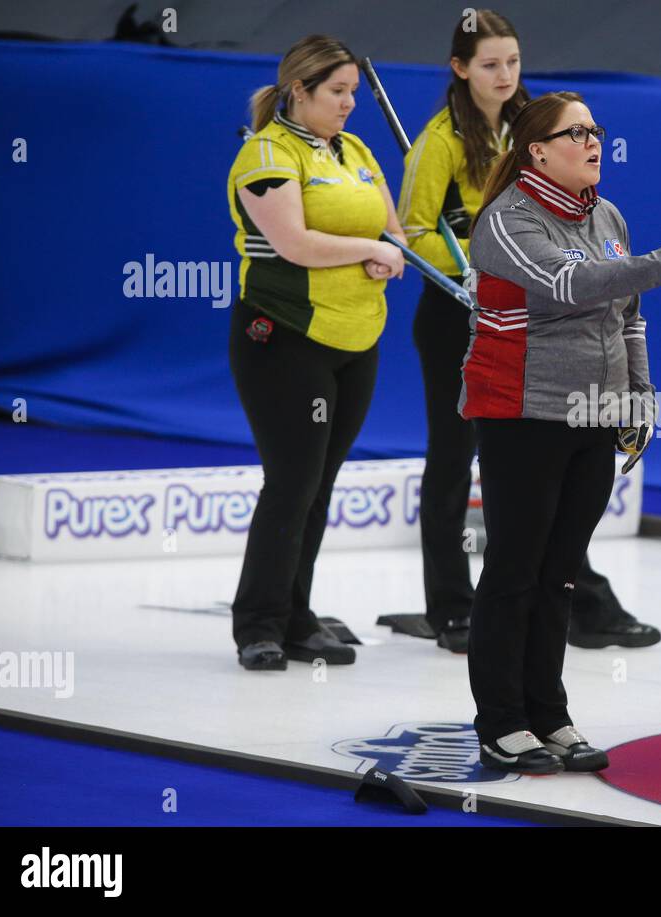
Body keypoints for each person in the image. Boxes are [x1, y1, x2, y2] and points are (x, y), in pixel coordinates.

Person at [460, 92, 661, 773]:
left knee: (561, 574)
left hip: (593, 415)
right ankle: (502, 721)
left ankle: (550, 714)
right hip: (522, 411)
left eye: (596, 130)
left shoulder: (607, 215)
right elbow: (570, 285)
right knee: (515, 570)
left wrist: (639, 397)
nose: (593, 141)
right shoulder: (508, 220)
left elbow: (626, 314)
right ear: (536, 149)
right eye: (576, 133)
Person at [398, 9, 661, 654]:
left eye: (513, 62)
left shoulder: (533, 126)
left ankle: (581, 602)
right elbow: (415, 226)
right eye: (490, 64)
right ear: (461, 69)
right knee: (455, 457)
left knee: (562, 492)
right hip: (459, 307)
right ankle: (452, 605)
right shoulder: (440, 139)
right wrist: (466, 263)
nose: (505, 75)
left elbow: (582, 267)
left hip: (541, 309)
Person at [226, 35, 407, 670]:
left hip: (356, 339)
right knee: (292, 482)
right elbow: (295, 243)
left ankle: (297, 615)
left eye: (355, 91)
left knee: (320, 485)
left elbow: (392, 229)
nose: (350, 103)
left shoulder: (353, 150)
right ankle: (258, 623)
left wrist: (392, 250)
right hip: (284, 338)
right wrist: (370, 252)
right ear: (298, 92)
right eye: (337, 92)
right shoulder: (264, 154)